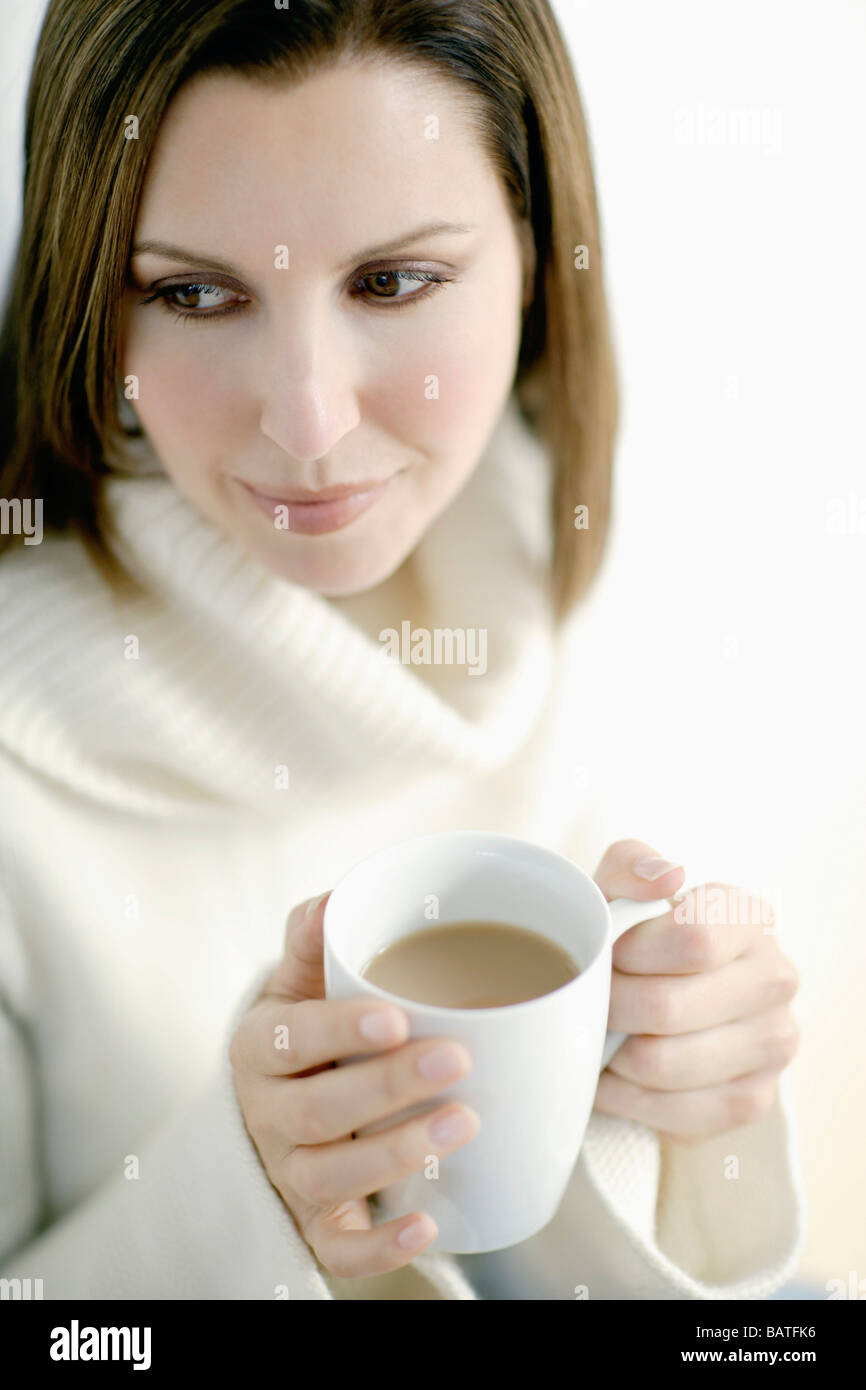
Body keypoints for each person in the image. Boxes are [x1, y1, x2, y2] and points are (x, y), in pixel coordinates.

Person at [0, 0, 804, 1300]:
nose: (309, 423)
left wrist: (697, 1110)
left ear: (540, 258)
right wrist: (246, 1208)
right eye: (194, 293)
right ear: (92, 297)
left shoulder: (576, 568)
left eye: (389, 282)